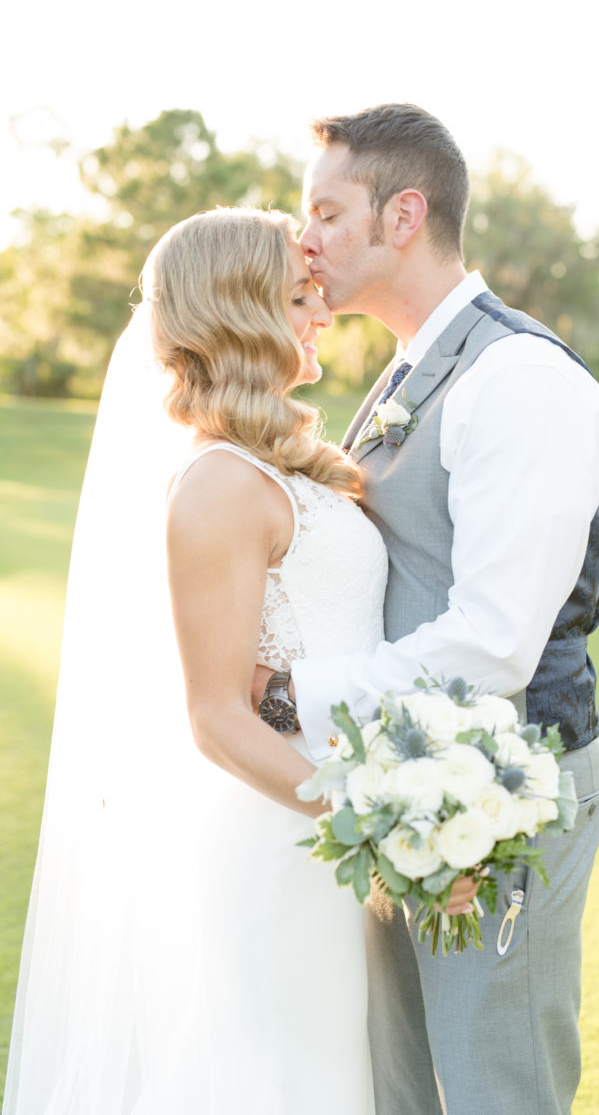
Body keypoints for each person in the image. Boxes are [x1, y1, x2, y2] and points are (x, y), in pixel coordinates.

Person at [260, 105, 599, 1115]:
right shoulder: (409, 365)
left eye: (327, 212)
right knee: (406, 1088)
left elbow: (496, 644)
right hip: (402, 783)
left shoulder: (520, 378)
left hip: (503, 787)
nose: (306, 238)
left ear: (404, 214)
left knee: (492, 1085)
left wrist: (292, 697)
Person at [3, 207, 385, 1114]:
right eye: (299, 295)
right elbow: (215, 717)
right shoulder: (218, 483)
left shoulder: (282, 463)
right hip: (284, 837)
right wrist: (371, 825)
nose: (323, 311)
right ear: (240, 312)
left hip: (322, 831)